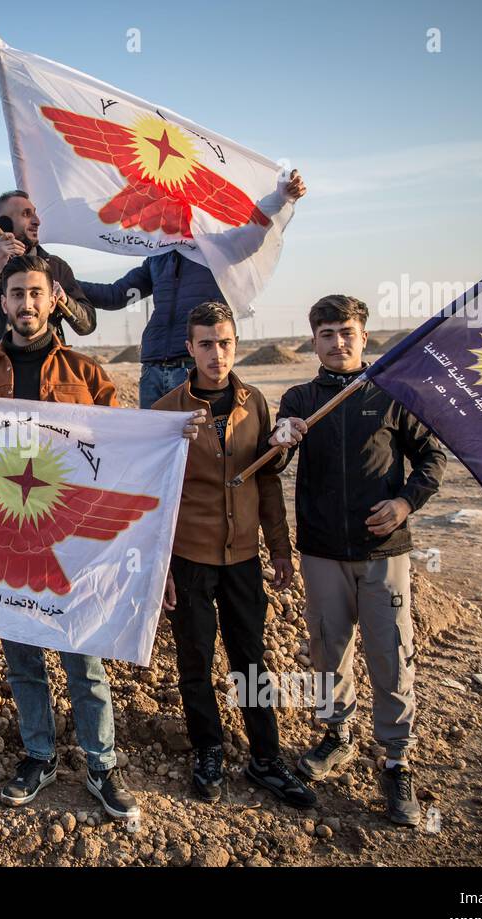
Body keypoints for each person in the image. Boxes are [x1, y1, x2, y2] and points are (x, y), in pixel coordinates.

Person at [0, 254, 198, 821]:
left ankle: (102, 763)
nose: (26, 304)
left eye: (36, 293)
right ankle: (38, 755)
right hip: (4, 539)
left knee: (85, 659)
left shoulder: (86, 374)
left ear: (54, 298)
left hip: (69, 545)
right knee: (22, 657)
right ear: (2, 303)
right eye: (15, 294)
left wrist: (172, 431)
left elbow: (124, 450)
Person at [270, 294, 446, 826]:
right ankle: (337, 734)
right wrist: (281, 438)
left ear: (363, 337)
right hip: (322, 551)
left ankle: (396, 760)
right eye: (326, 334)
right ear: (314, 341)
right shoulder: (300, 397)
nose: (338, 342)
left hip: (383, 553)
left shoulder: (391, 394)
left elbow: (432, 457)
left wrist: (403, 503)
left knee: (391, 653)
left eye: (347, 332)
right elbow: (275, 455)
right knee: (327, 650)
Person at [156, 302, 315, 808]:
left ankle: (266, 758)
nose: (216, 353)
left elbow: (267, 480)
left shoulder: (256, 405)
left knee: (251, 661)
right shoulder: (166, 412)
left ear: (236, 345)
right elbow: (155, 495)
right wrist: (160, 567)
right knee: (196, 661)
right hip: (189, 559)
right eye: (205, 344)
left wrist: (280, 548)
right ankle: (207, 750)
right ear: (190, 348)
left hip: (244, 557)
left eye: (224, 343)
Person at [83, 171, 307, 408]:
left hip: (193, 370)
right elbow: (116, 295)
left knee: (198, 444)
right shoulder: (157, 258)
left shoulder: (217, 250)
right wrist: (61, 280)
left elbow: (253, 231)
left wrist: (281, 196)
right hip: (152, 370)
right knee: (155, 444)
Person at [0, 190, 95, 351]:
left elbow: (87, 325)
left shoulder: (56, 267)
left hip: (49, 369)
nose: (37, 221)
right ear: (5, 224)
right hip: (0, 370)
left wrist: (67, 300)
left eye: (35, 213)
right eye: (27, 214)